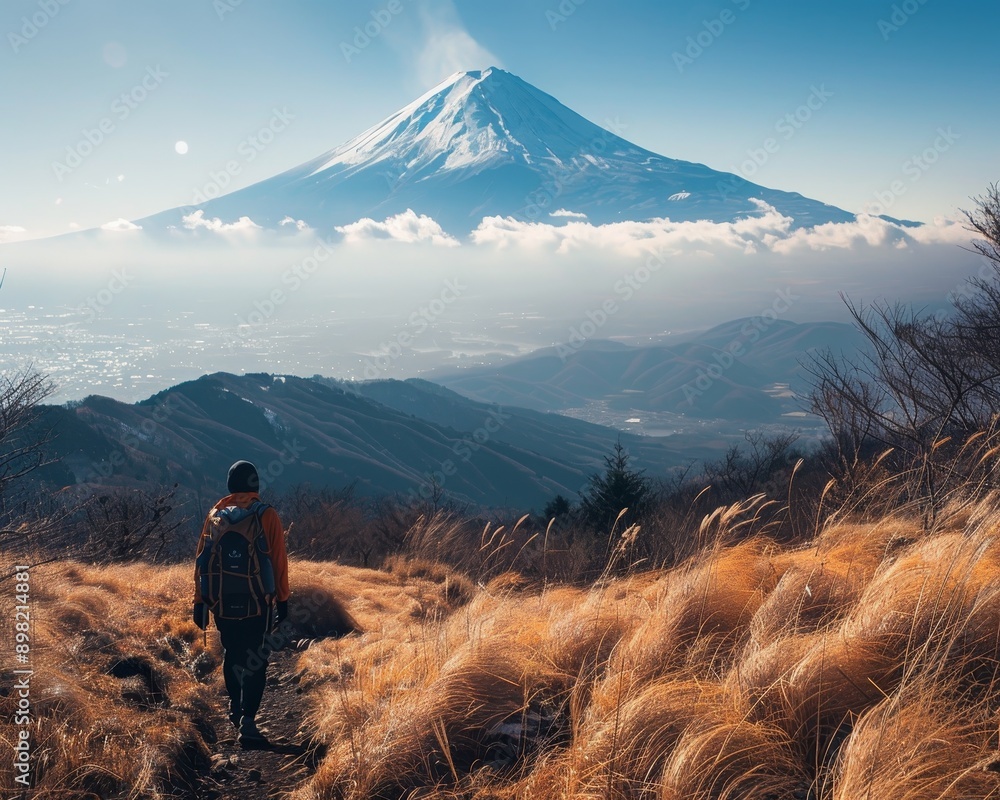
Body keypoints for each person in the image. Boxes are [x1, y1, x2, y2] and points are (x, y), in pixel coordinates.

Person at [193, 460, 290, 747]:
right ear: (255, 484)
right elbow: (279, 561)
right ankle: (248, 722)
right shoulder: (265, 514)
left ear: (230, 485)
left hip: (221, 603)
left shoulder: (215, 515)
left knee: (232, 652)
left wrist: (199, 602)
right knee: (256, 656)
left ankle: (235, 708)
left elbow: (201, 561)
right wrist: (283, 601)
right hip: (257, 603)